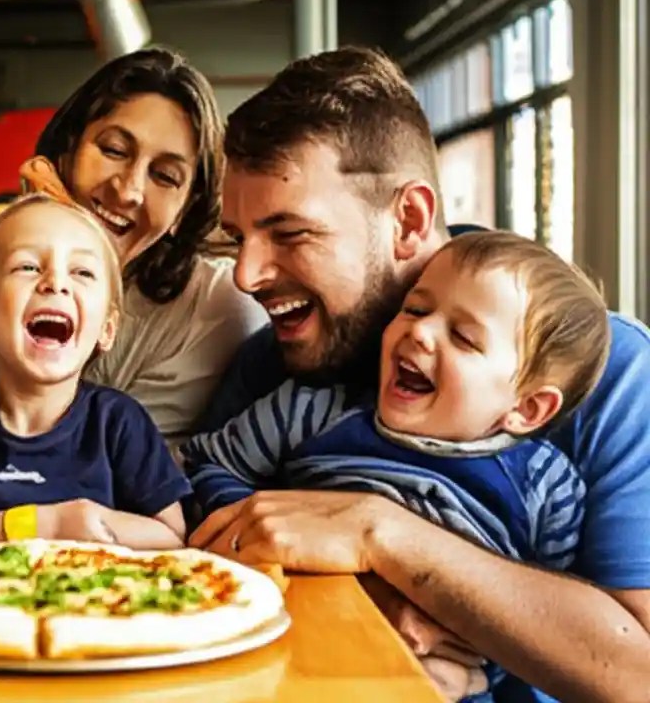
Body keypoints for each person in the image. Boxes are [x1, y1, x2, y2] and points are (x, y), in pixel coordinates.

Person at [191, 46, 650, 702]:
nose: (245, 275)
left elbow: (639, 674)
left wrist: (380, 535)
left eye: (289, 234)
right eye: (239, 237)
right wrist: (359, 589)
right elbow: (199, 513)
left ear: (407, 220)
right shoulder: (278, 360)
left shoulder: (611, 370)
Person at [187, 231, 609, 699]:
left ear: (527, 409)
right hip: (294, 649)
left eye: (463, 337)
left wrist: (485, 675)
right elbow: (207, 463)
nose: (420, 332)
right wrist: (252, 525)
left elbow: (540, 620)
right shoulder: (310, 412)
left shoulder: (546, 486)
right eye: (416, 309)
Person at [0, 48, 266, 447]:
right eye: (114, 151)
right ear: (67, 151)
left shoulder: (216, 305)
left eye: (164, 176)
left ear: (186, 207)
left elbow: (129, 461)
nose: (128, 190)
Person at [0, 194, 188, 550]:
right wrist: (45, 523)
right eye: (28, 267)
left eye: (82, 272)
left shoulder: (119, 421)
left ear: (107, 330)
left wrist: (91, 520)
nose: (56, 283)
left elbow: (172, 535)